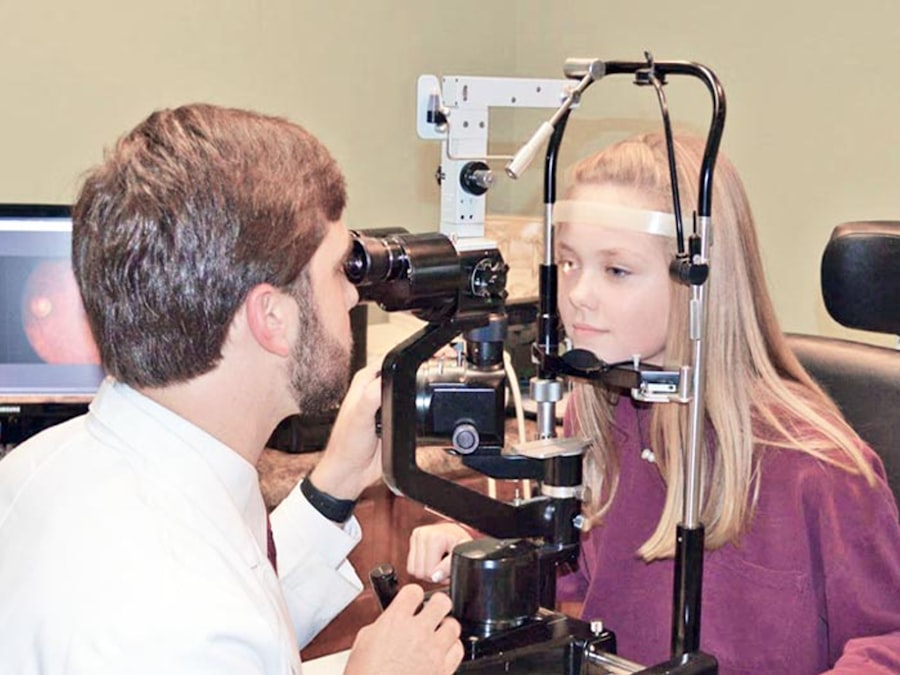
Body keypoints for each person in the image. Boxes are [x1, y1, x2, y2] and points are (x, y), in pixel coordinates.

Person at [406, 133, 900, 674]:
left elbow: (889, 641)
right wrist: (482, 547)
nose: (578, 295)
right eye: (568, 263)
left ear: (698, 283)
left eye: (616, 270)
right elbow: (575, 561)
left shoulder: (815, 467)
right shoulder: (599, 414)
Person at [0, 104, 464, 675]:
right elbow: (206, 624)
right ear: (272, 317)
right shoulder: (173, 621)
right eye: (340, 270)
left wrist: (336, 482)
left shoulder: (43, 466)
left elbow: (242, 612)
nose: (352, 295)